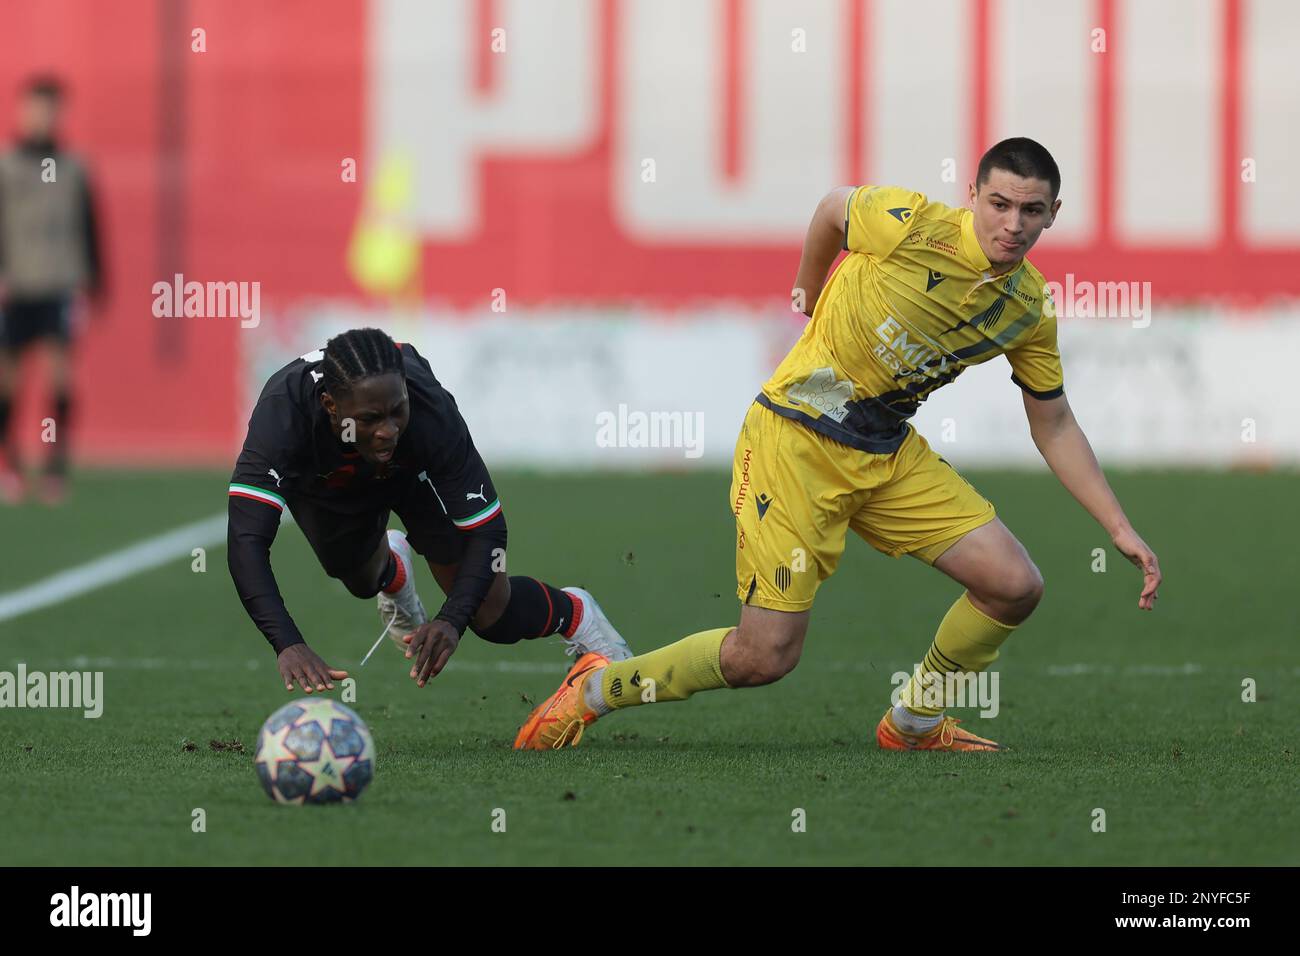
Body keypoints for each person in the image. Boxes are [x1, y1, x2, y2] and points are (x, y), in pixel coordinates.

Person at [514, 138, 1162, 752]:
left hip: (885, 452)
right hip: (796, 438)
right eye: (999, 204)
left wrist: (1119, 526)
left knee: (1014, 584)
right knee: (763, 656)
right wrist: (808, 286)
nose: (1013, 224)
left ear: (1054, 213)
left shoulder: (1027, 307)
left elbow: (1052, 421)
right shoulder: (913, 225)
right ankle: (597, 688)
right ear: (973, 196)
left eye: (1031, 211)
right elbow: (831, 209)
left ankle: (914, 720)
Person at [227, 326, 631, 693]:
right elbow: (246, 543)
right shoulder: (282, 418)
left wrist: (451, 620)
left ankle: (577, 615)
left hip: (412, 473)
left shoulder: (429, 411)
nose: (388, 429)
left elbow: (488, 533)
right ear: (331, 405)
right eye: (370, 418)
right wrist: (288, 643)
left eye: (396, 410)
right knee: (361, 581)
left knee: (491, 614)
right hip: (329, 482)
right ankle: (394, 572)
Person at [0, 75, 103, 504]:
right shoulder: (6, 167)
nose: (41, 116)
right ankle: (9, 462)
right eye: (35, 107)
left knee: (61, 375)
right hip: (18, 285)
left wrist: (96, 280)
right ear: (24, 111)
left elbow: (90, 226)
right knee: (10, 378)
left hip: (60, 283)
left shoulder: (74, 166)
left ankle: (56, 463)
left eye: (49, 108)